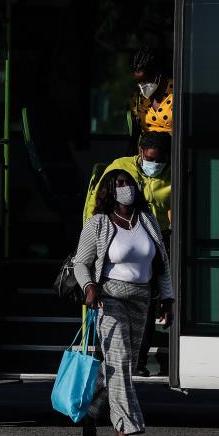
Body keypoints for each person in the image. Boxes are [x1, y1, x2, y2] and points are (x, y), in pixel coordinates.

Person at [73, 169, 174, 436]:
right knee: (122, 362)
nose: (126, 188)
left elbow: (162, 264)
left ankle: (94, 399)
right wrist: (89, 286)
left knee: (122, 366)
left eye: (129, 183)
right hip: (110, 298)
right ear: (109, 190)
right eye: (120, 184)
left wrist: (168, 299)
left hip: (142, 298)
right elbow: (81, 263)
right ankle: (124, 434)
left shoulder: (147, 220)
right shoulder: (98, 223)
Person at [84, 130, 172, 375]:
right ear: (141, 153)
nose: (154, 164)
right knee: (111, 311)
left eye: (159, 159)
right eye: (150, 158)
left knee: (146, 308)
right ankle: (107, 361)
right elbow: (96, 203)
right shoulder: (120, 169)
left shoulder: (172, 173)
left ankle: (137, 362)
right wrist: (95, 237)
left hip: (153, 238)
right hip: (117, 236)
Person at [129, 46, 173, 137]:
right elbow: (135, 135)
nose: (142, 85)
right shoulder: (137, 98)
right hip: (146, 149)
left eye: (145, 80)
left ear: (157, 73)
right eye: (139, 82)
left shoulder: (177, 91)